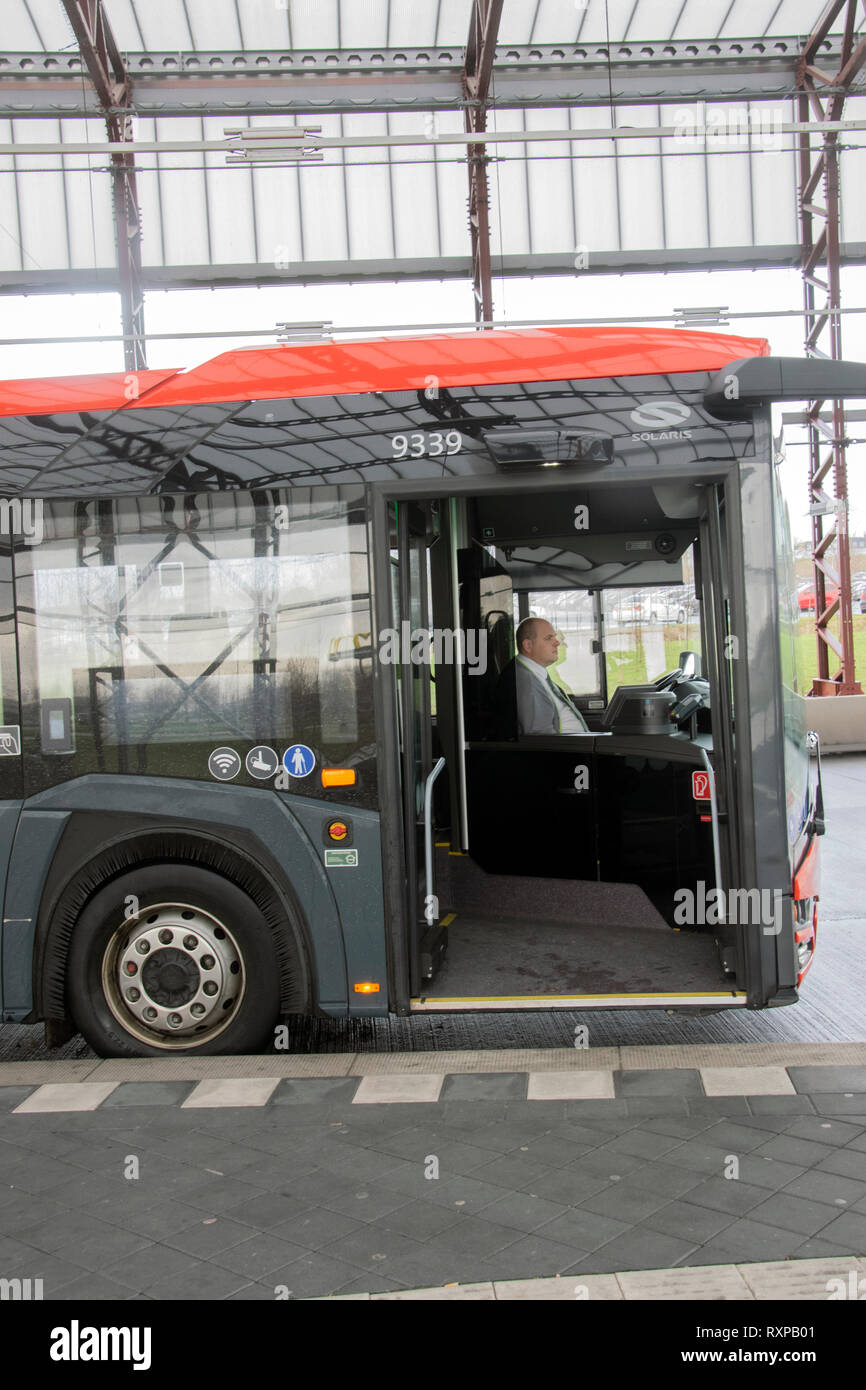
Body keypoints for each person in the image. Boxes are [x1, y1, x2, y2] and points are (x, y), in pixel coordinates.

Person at [510, 617, 590, 735]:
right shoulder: (526, 681)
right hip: (567, 750)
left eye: (554, 637)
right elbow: (540, 738)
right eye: (548, 638)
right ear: (528, 645)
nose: (557, 643)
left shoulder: (534, 674)